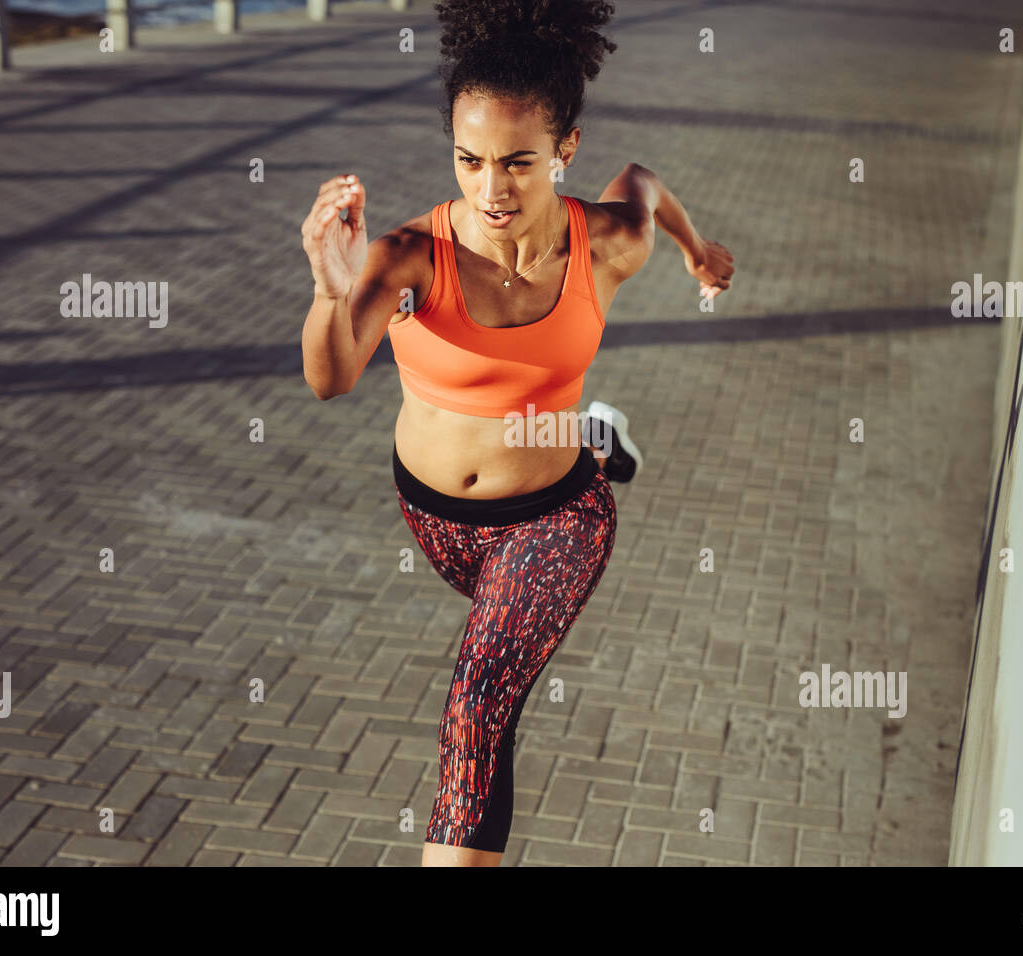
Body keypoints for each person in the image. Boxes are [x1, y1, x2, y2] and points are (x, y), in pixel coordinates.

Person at [299, 0, 734, 867]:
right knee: (487, 673)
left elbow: (643, 183)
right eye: (470, 161)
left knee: (477, 710)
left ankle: (587, 450)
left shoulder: (605, 245)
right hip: (436, 521)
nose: (491, 190)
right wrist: (328, 288)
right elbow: (331, 378)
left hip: (554, 519)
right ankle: (595, 430)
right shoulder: (408, 257)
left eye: (519, 163)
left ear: (565, 148)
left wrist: (696, 249)